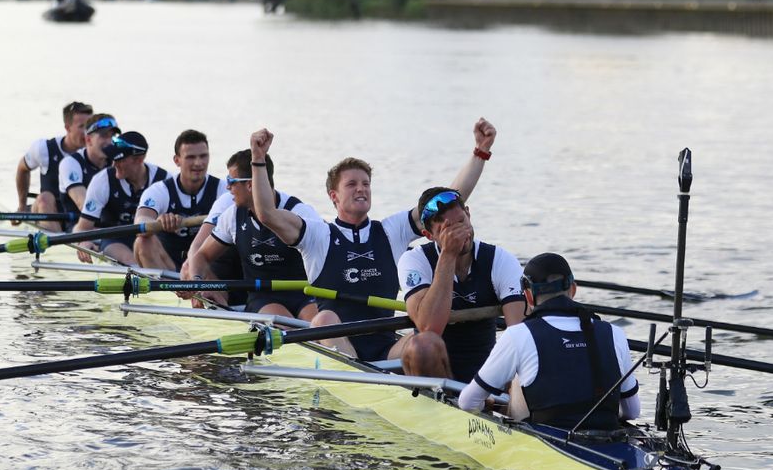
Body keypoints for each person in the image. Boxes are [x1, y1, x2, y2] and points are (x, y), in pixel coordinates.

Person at [250, 118, 497, 362]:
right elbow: (267, 214)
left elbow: (445, 202)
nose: (361, 188)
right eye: (352, 184)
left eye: (366, 183)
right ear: (334, 196)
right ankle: (357, 373)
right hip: (335, 343)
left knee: (426, 340)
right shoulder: (318, 235)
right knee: (322, 318)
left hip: (387, 347)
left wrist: (480, 152)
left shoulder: (391, 231)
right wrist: (258, 159)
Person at [458, 253, 640, 431]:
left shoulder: (518, 335)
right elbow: (632, 411)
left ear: (528, 296)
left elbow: (467, 402)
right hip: (608, 440)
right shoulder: (614, 333)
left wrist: (489, 407)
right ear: (573, 289)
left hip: (544, 441)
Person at [396, 187, 525, 382]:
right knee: (422, 345)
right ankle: (445, 397)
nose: (459, 234)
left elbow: (519, 332)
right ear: (429, 235)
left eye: (461, 222)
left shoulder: (500, 260)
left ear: (468, 214)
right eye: (447, 230)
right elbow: (429, 326)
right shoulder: (414, 260)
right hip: (436, 369)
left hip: (488, 371)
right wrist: (448, 254)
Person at [186, 149, 321, 319]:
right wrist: (197, 281)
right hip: (263, 298)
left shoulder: (301, 212)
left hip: (304, 293)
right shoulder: (232, 216)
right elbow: (202, 256)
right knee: (285, 325)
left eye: (231, 181)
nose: (227, 187)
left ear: (250, 185)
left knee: (320, 324)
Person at [134, 129, 230, 272]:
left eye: (203, 156)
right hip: (169, 267)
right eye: (191, 157)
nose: (198, 163)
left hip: (208, 266)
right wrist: (157, 222)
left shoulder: (223, 189)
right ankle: (167, 285)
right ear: (177, 160)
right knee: (142, 242)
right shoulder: (160, 190)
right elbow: (140, 223)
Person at [72, 130, 169, 265]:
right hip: (115, 239)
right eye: (113, 159)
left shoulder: (164, 180)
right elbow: (82, 228)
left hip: (150, 239)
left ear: (139, 159)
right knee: (130, 261)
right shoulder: (102, 181)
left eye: (120, 159)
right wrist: (83, 241)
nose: (114, 164)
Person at [13, 101, 93, 231]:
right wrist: (22, 206)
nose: (87, 133)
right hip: (49, 210)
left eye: (89, 127)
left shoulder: (97, 153)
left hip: (79, 213)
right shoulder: (43, 149)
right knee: (45, 198)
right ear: (67, 127)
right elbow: (22, 169)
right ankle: (56, 238)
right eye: (81, 127)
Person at [58, 113, 119, 219]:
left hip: (112, 225)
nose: (109, 142)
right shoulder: (70, 163)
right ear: (88, 140)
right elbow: (84, 206)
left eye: (113, 136)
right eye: (104, 136)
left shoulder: (118, 162)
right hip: (80, 225)